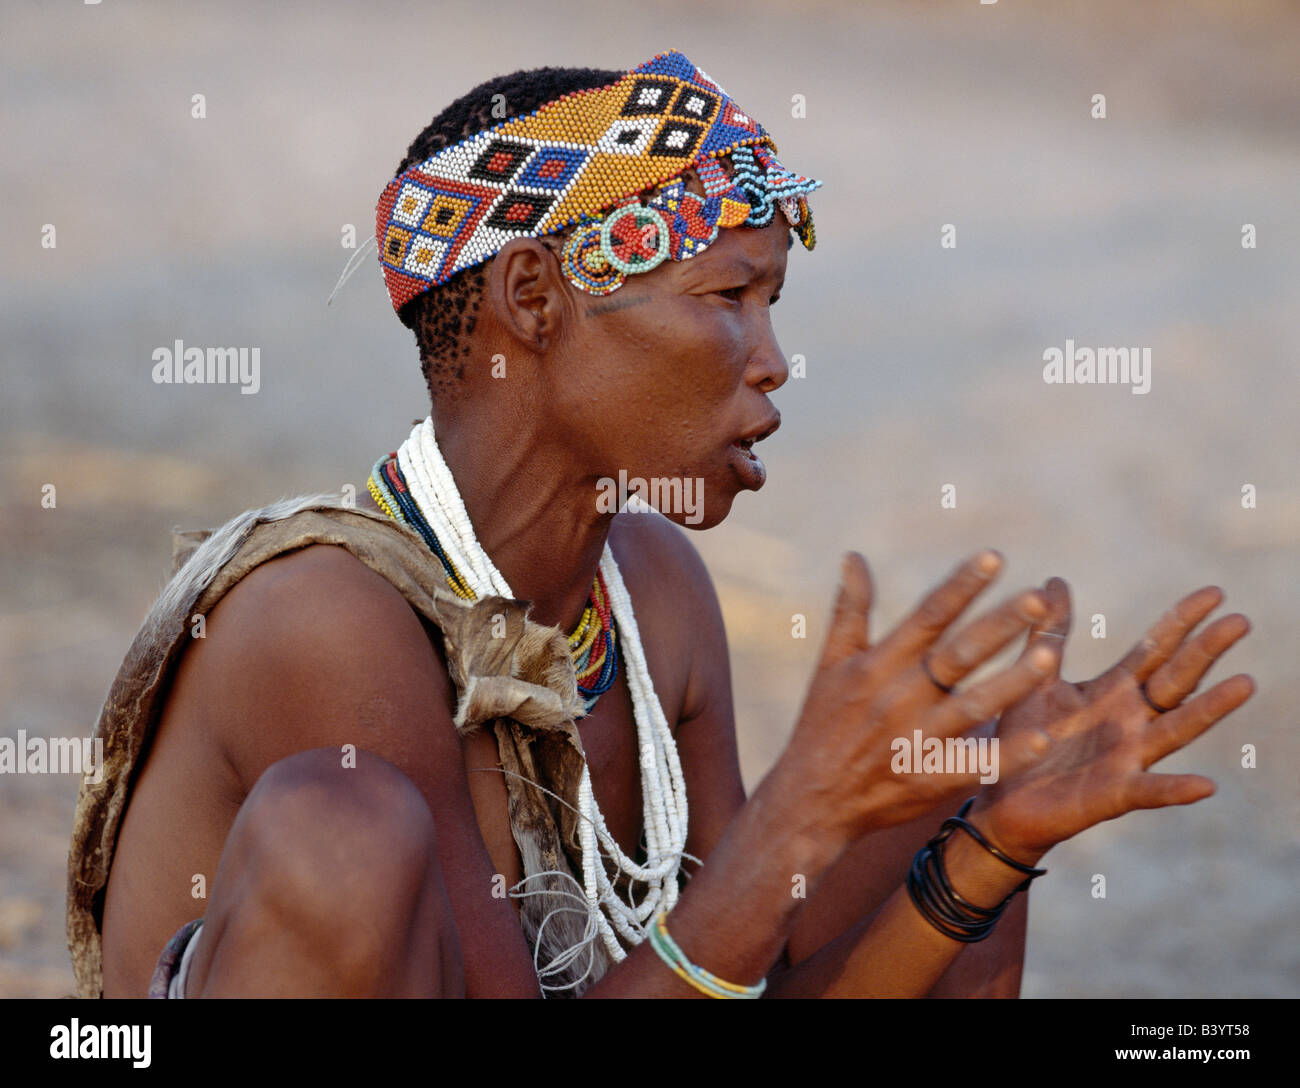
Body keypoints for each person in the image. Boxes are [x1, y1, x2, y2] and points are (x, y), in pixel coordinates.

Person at [70, 50, 1253, 999]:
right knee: (342, 829)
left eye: (772, 303)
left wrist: (991, 841)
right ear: (532, 301)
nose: (775, 361)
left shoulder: (652, 585)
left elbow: (743, 979)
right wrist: (792, 820)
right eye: (726, 298)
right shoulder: (323, 618)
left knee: (944, 797)